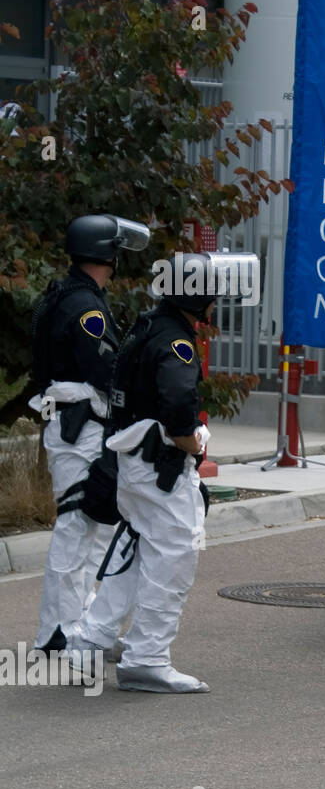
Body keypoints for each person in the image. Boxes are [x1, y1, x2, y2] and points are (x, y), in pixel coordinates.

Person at [63, 251, 220, 693]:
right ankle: (146, 658)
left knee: (136, 555)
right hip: (161, 469)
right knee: (173, 558)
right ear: (201, 296)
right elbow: (177, 407)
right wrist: (197, 441)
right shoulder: (178, 343)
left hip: (133, 466)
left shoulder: (147, 325)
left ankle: (90, 641)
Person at [29, 214, 150, 652]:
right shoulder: (85, 308)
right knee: (76, 528)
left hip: (76, 426)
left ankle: (82, 626)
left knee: (87, 529)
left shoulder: (69, 295)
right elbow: (107, 369)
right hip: (79, 429)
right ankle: (60, 633)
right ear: (107, 254)